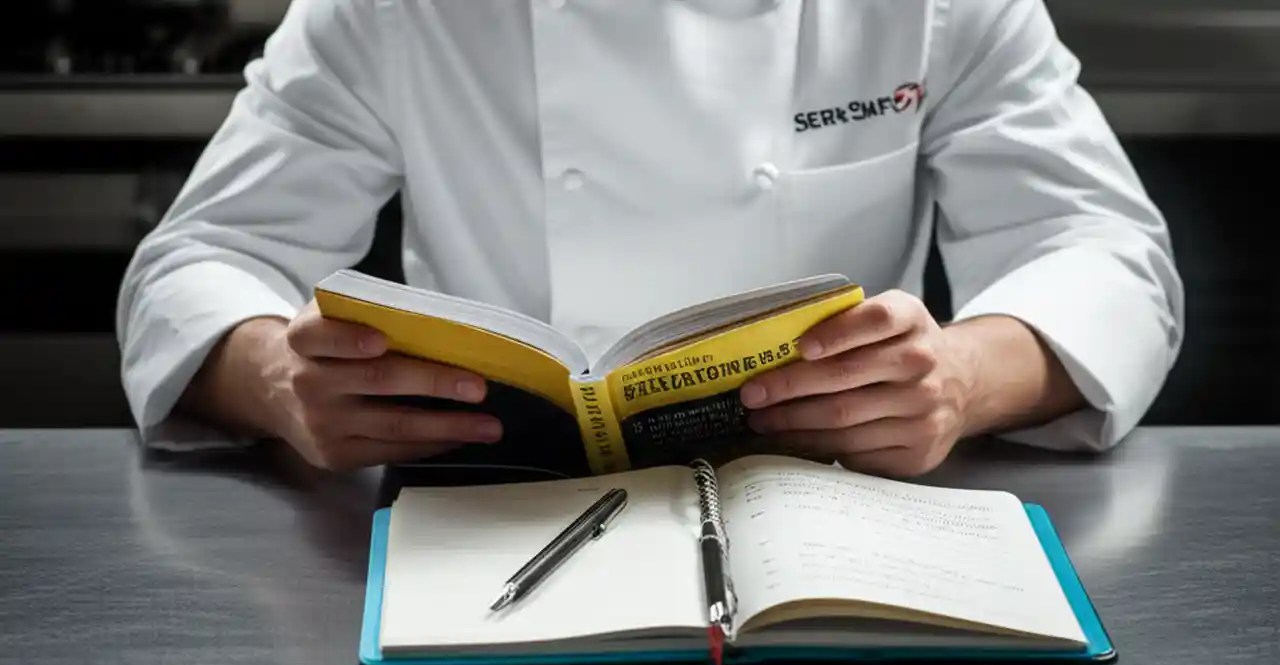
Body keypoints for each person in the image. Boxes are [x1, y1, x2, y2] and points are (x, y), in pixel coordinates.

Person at [116, 0, 1183, 478]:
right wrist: (279, 382)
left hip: (832, 520)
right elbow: (199, 260)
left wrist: (957, 377)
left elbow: (1100, 251)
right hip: (492, 521)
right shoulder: (395, 10)